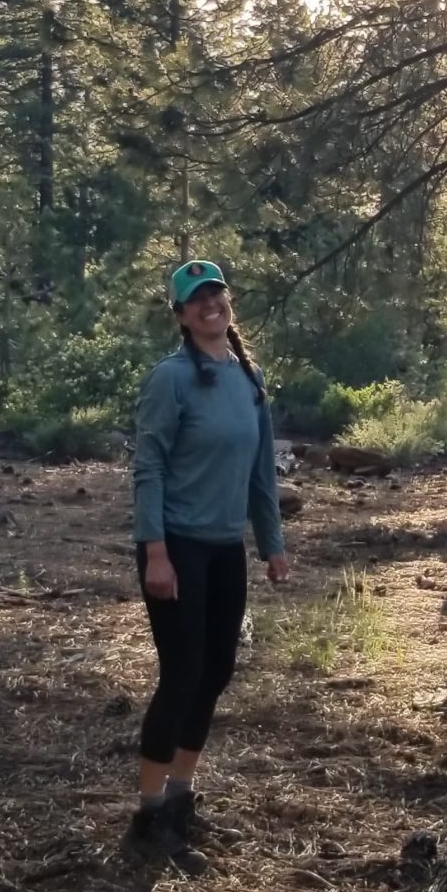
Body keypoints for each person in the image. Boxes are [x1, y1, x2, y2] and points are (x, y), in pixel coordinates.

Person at [130, 258, 289, 853]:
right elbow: (147, 467)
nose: (209, 305)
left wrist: (271, 544)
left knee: (217, 670)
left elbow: (260, 472)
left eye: (216, 294)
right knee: (182, 674)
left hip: (225, 548)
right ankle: (147, 816)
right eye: (195, 299)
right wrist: (155, 552)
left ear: (228, 302)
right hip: (176, 546)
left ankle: (180, 795)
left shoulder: (249, 377)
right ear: (180, 315)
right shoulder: (170, 379)